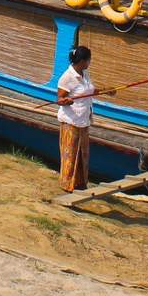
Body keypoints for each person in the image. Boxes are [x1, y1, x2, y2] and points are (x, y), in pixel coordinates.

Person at [56, 45, 95, 191]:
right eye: (89, 60)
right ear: (83, 61)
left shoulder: (85, 74)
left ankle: (79, 184)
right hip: (71, 122)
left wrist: (105, 91)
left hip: (83, 121)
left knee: (82, 155)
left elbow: (89, 90)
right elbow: (60, 98)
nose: (90, 62)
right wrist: (66, 101)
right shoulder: (68, 77)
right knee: (70, 154)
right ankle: (67, 186)